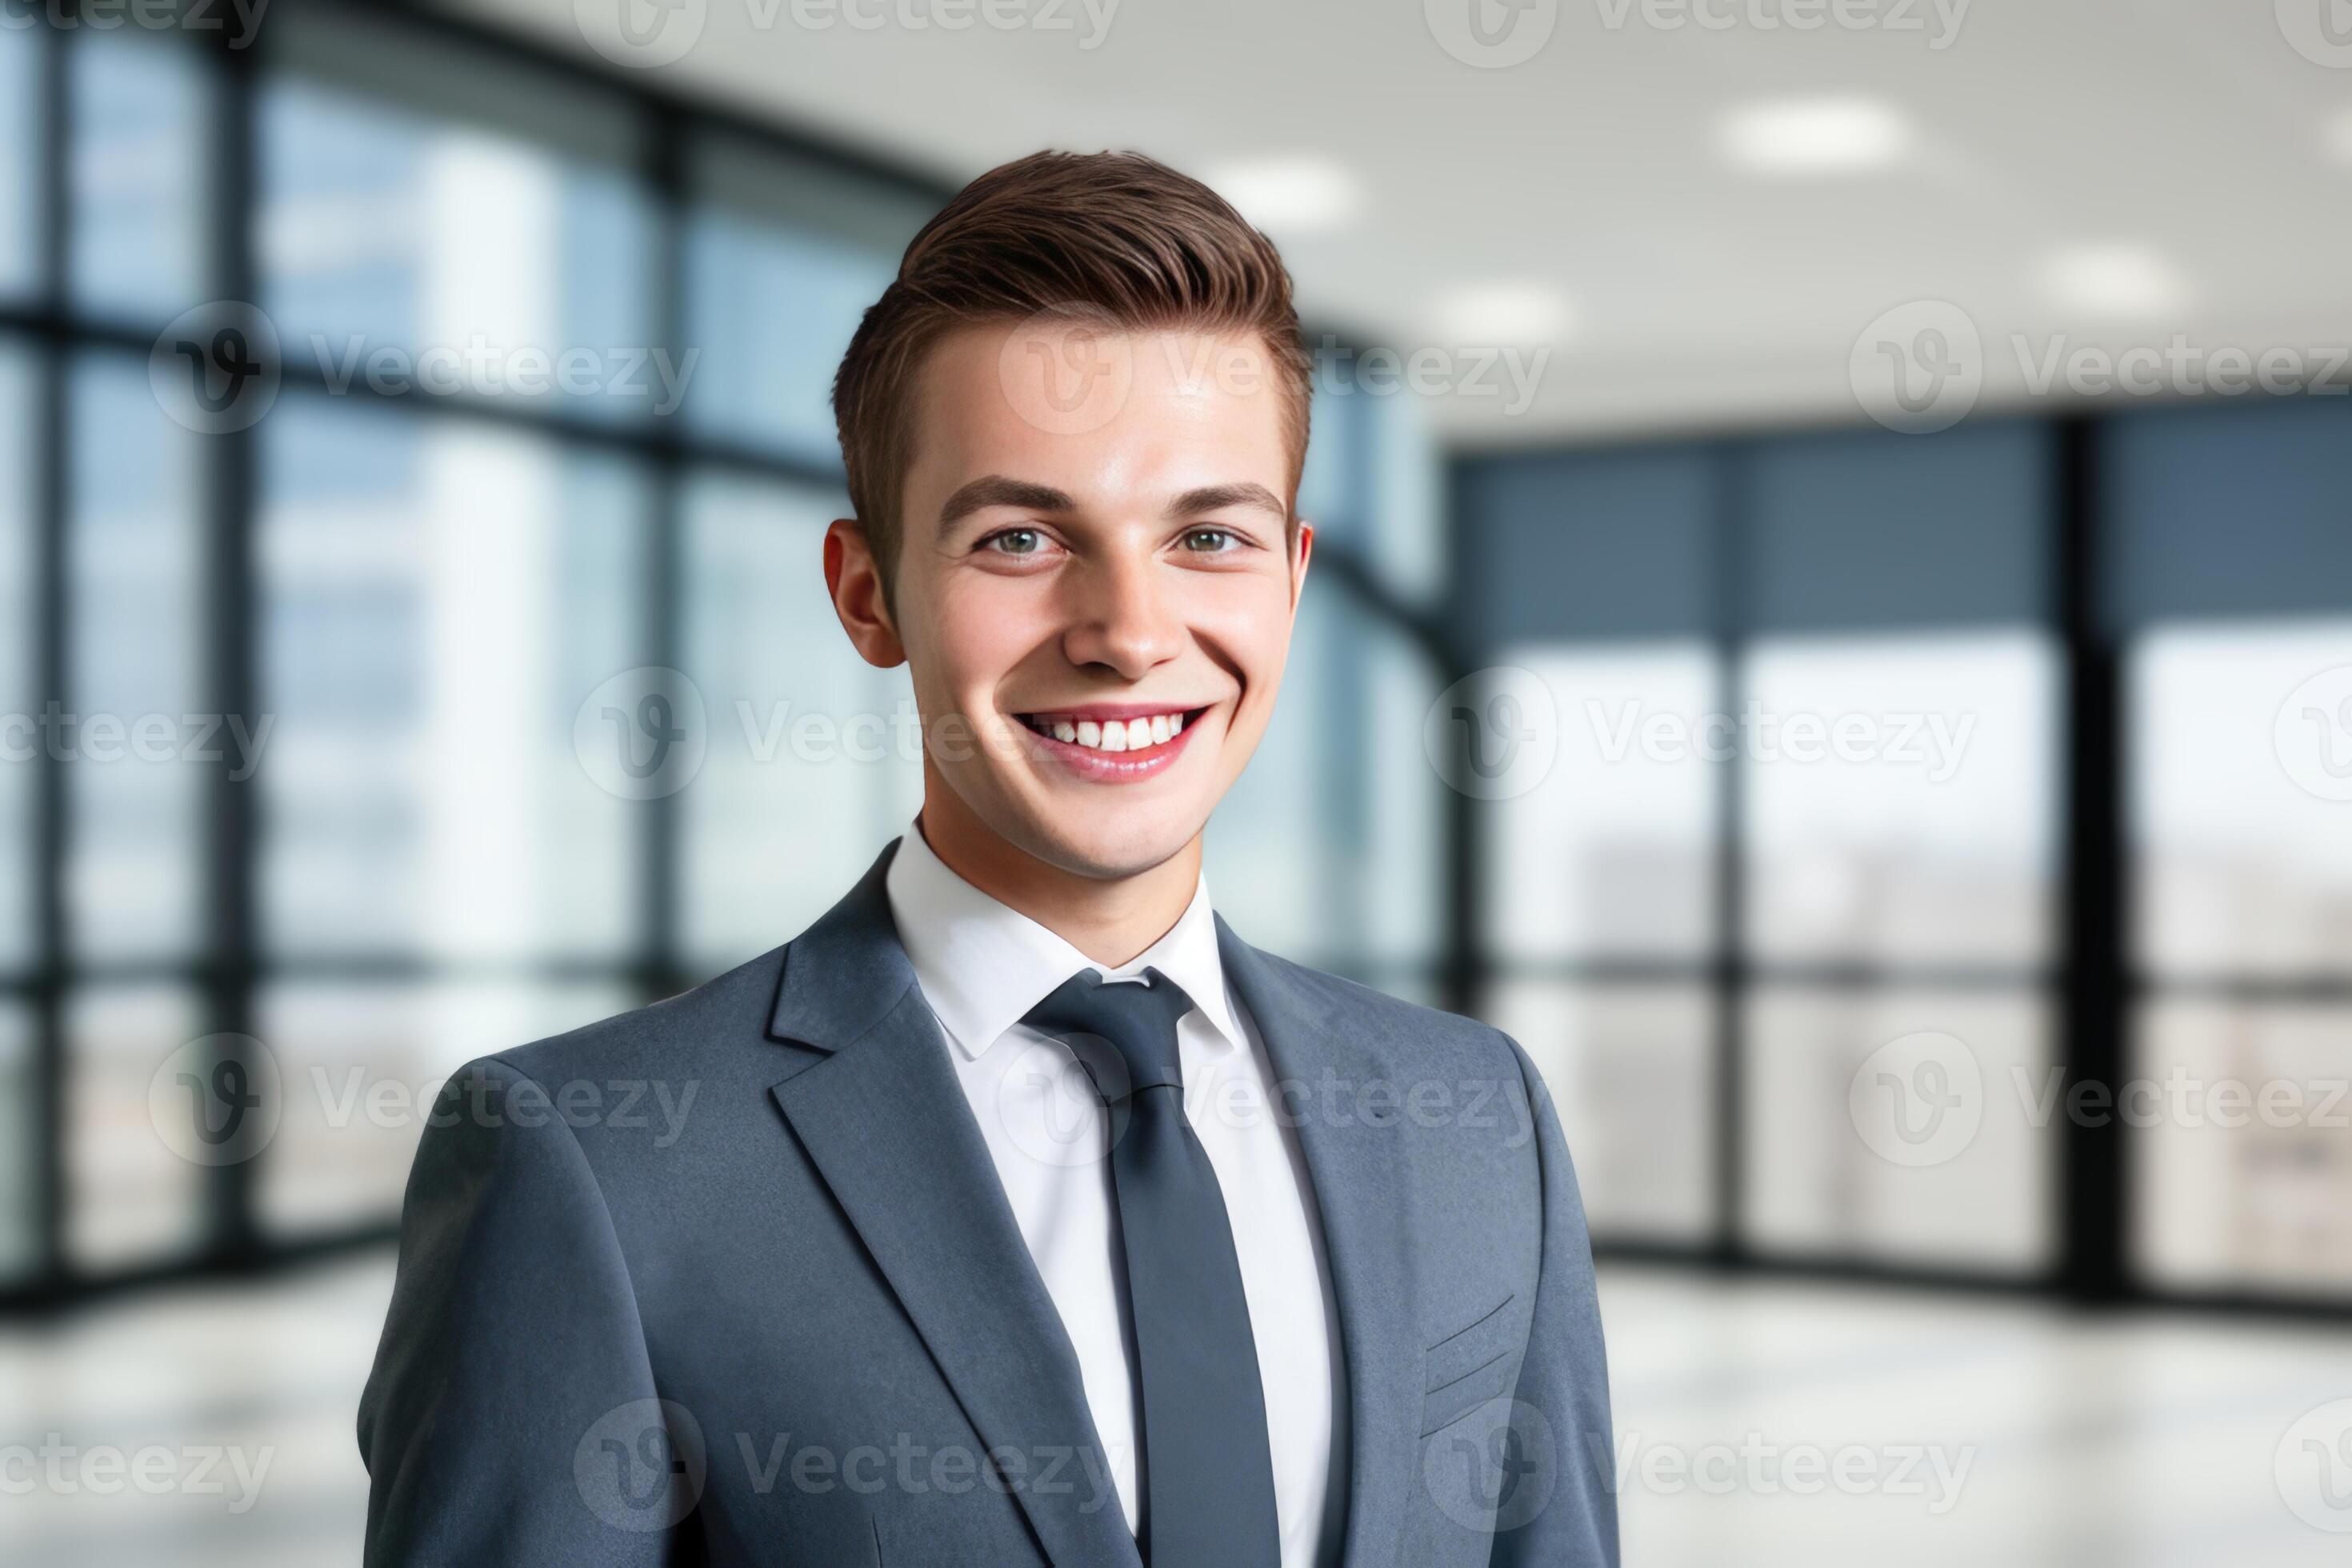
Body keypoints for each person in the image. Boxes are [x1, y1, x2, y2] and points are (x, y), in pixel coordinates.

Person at [358, 149, 1616, 1568]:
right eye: (1021, 537)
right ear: (867, 592)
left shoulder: (1478, 1119)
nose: (1129, 631)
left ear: (1291, 578)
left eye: (1209, 534)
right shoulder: (591, 1162)